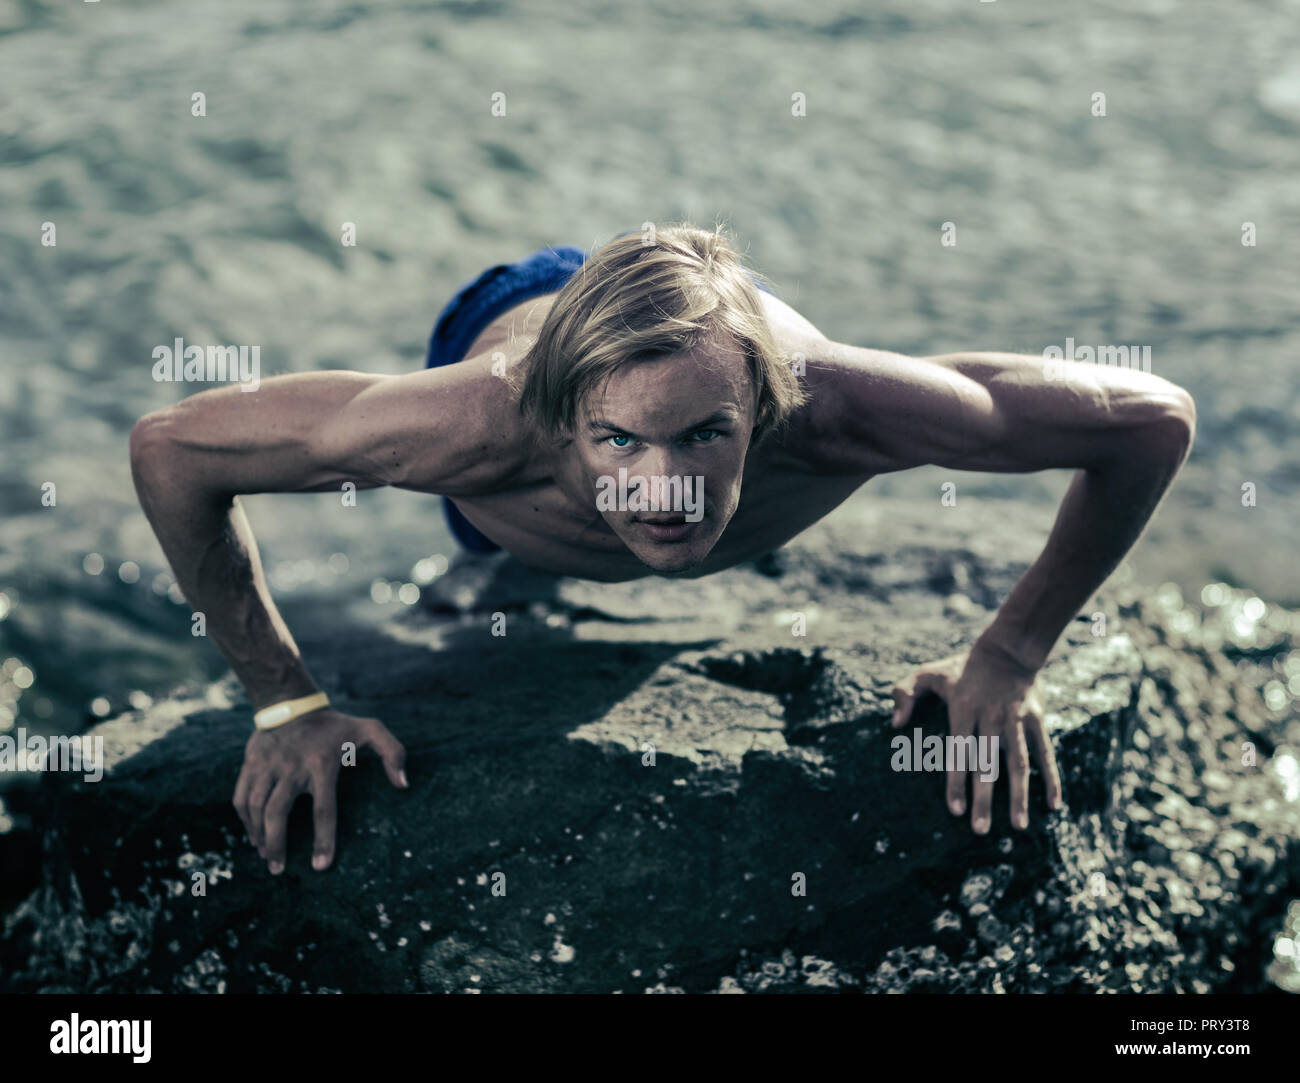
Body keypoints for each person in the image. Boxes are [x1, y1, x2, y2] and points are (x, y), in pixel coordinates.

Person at [129, 221, 1196, 874]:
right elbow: (173, 450)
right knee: (488, 564)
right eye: (618, 443)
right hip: (519, 315)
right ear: (559, 426)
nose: (665, 489)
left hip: (715, 328)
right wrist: (285, 703)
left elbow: (1149, 419)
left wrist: (1009, 656)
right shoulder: (470, 427)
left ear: (768, 410)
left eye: (702, 438)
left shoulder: (845, 408)